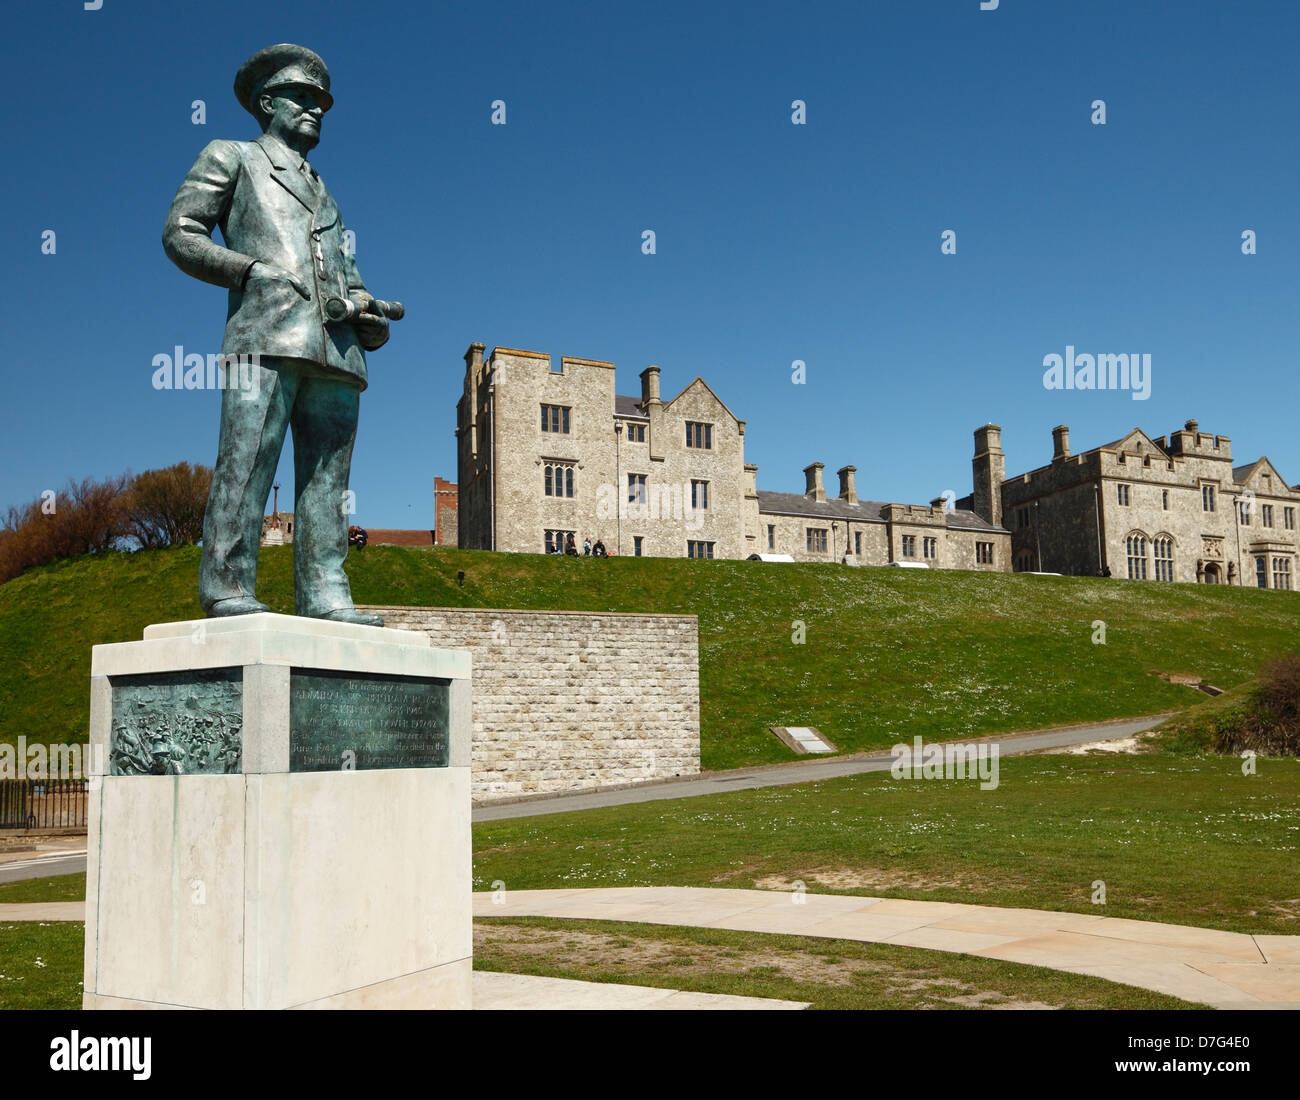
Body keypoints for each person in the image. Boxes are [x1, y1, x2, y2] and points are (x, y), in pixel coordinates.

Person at [163, 44, 391, 625]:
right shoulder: (232, 156)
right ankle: (227, 585)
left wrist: (367, 314)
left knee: (328, 481)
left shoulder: (325, 191)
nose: (317, 108)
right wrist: (249, 271)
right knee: (247, 463)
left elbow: (351, 277)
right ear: (267, 103)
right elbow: (180, 232)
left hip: (335, 352)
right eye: (303, 97)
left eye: (323, 102)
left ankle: (325, 593)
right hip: (263, 338)